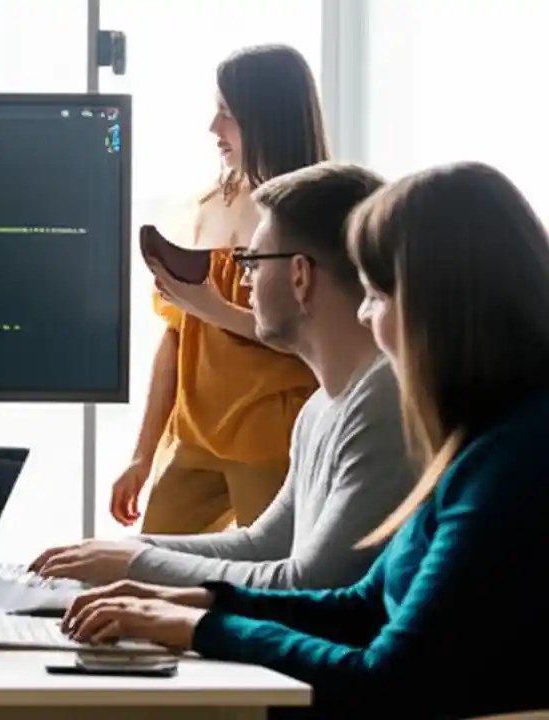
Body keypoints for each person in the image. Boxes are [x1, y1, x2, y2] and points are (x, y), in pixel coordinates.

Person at [61, 162, 549, 718]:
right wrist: (197, 601)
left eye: (376, 294)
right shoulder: (481, 443)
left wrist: (202, 627)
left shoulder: (511, 460)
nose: (367, 314)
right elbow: (361, 606)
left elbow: (387, 676)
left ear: (437, 306)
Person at [31, 163, 417, 591]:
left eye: (252, 259)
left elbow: (309, 582)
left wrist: (138, 564)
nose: (244, 277)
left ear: (300, 276)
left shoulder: (383, 402)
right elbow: (263, 544)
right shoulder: (322, 407)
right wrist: (118, 552)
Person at [113, 44, 324, 534]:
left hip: (270, 434)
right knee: (148, 570)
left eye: (227, 114)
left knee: (270, 584)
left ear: (267, 118)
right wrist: (142, 455)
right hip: (194, 435)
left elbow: (305, 336)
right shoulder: (208, 204)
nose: (213, 128)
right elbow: (176, 338)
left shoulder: (306, 214)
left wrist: (206, 305)